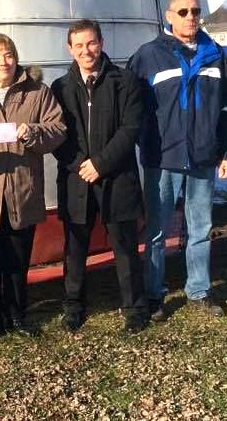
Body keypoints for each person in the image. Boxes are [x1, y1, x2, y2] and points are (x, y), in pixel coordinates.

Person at [127, 0, 227, 321]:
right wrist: (141, 142)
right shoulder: (148, 55)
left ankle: (199, 289)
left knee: (201, 226)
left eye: (195, 11)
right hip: (162, 158)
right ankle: (153, 293)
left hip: (203, 157)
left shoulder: (214, 53)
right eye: (183, 12)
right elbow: (130, 107)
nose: (190, 17)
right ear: (169, 16)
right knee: (158, 230)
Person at [0, 33, 66, 339]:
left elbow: (58, 129)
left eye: (8, 55)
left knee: (17, 260)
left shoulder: (37, 92)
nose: (3, 62)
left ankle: (18, 315)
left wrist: (31, 132)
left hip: (22, 189)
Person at [51, 19, 150, 334]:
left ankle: (134, 307)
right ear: (70, 49)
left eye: (91, 43)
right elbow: (57, 134)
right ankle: (73, 306)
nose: (86, 51)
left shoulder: (126, 81)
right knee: (75, 248)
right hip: (76, 178)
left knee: (124, 247)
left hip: (116, 177)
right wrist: (82, 164)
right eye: (78, 45)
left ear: (102, 43)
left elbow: (131, 129)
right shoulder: (60, 87)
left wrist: (101, 164)